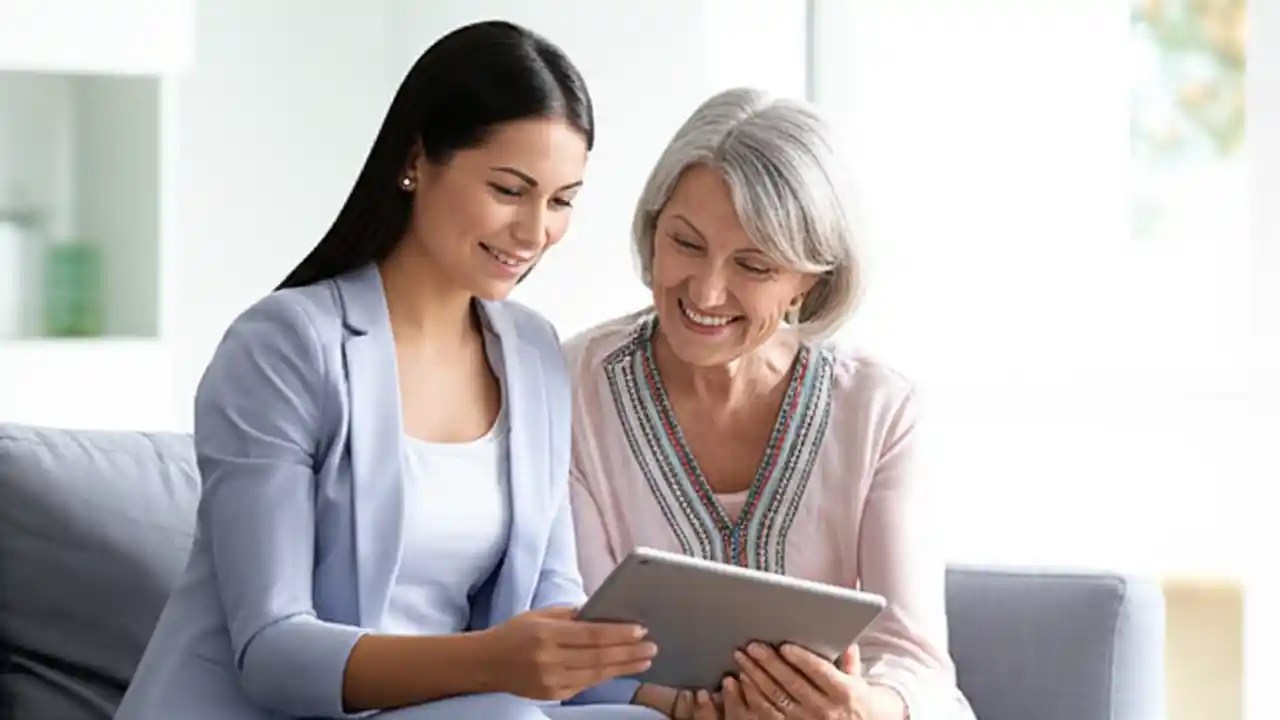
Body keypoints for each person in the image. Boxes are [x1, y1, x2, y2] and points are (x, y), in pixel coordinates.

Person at [115, 20, 661, 720]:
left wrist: (693, 696)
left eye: (561, 201)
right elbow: (274, 653)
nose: (535, 233)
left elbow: (548, 617)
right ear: (415, 160)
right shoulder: (284, 346)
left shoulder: (531, 353)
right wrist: (494, 660)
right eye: (508, 189)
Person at [565, 88, 978, 719]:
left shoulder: (879, 407)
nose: (706, 289)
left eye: (753, 266)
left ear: (809, 281)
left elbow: (916, 661)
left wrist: (866, 709)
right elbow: (579, 628)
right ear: (652, 230)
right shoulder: (574, 386)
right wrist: (677, 705)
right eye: (686, 243)